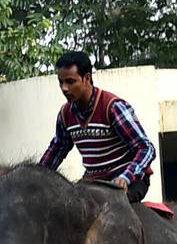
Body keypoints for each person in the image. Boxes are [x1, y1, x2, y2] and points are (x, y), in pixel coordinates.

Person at [37, 50, 156, 204]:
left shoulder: (113, 107)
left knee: (107, 214)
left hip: (129, 181)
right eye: (61, 82)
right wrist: (35, 179)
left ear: (87, 78)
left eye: (70, 81)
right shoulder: (65, 114)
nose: (64, 88)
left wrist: (126, 177)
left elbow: (146, 148)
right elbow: (56, 150)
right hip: (94, 182)